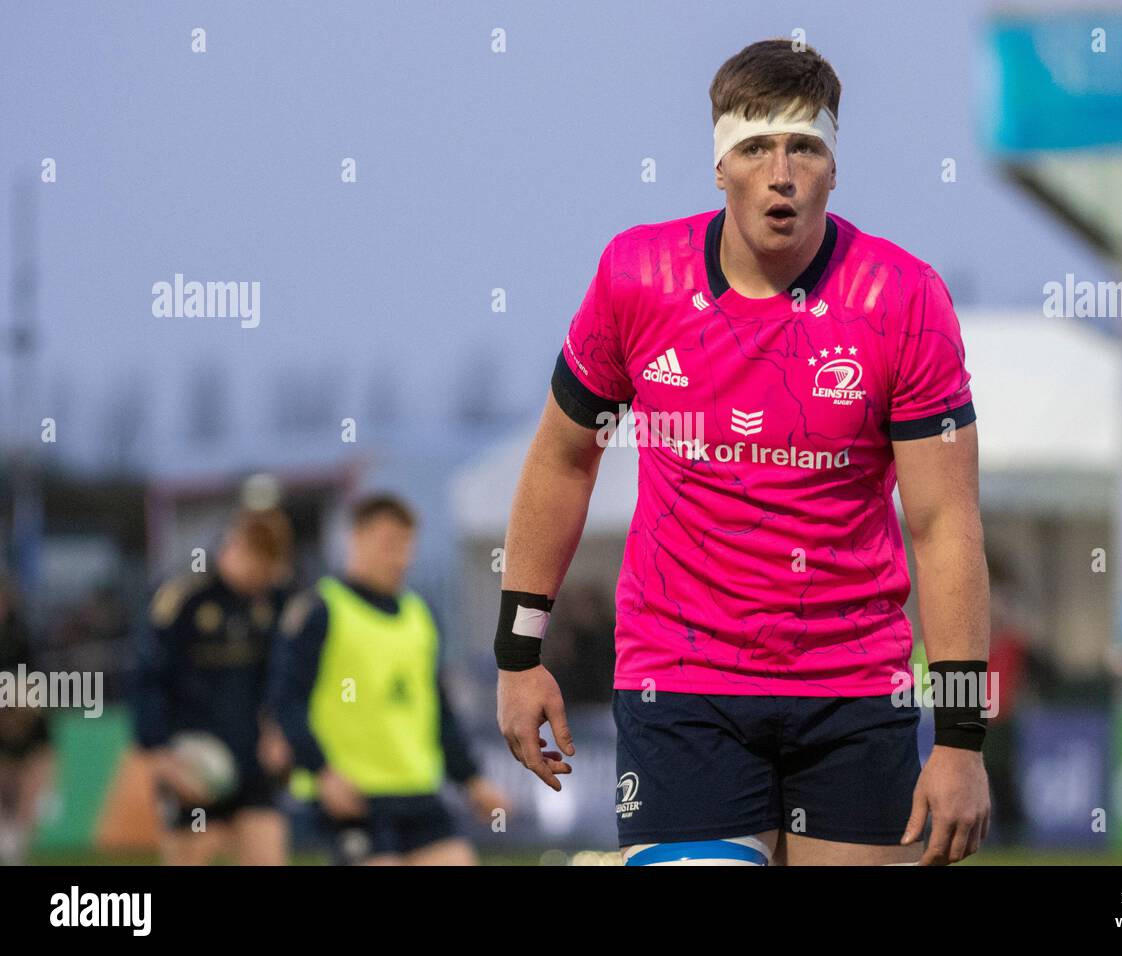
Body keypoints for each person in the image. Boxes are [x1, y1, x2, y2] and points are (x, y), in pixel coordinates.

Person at [496, 38, 991, 866]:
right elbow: (561, 460)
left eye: (805, 146)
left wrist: (964, 737)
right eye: (756, 147)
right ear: (719, 165)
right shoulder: (636, 277)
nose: (782, 171)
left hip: (853, 688)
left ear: (834, 167)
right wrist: (518, 656)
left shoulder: (903, 298)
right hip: (681, 681)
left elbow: (944, 522)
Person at [272, 493, 508, 865]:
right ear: (356, 539)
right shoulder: (319, 610)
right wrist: (322, 772)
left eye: (405, 545)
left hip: (417, 791)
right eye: (388, 545)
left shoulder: (421, 616)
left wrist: (471, 779)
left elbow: (437, 708)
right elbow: (286, 700)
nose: (400, 557)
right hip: (353, 796)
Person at [134, 507, 295, 865]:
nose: (264, 574)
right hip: (194, 765)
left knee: (268, 854)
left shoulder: (276, 602)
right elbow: (148, 679)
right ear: (234, 546)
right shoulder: (184, 599)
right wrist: (158, 752)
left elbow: (281, 682)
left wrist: (279, 731)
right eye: (259, 561)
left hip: (253, 765)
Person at [0, 576, 54, 865]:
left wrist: (20, 710)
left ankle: (17, 840)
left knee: (30, 779)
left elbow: (35, 684)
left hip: (24, 722)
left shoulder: (22, 636)